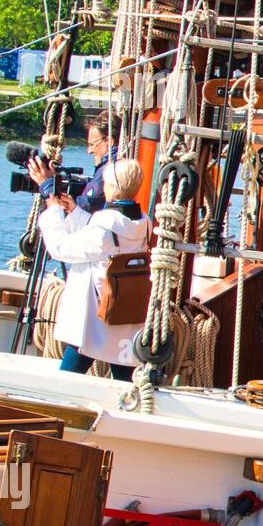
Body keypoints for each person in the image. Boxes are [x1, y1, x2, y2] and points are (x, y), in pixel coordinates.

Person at [37, 159, 151, 381]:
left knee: (70, 375)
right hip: (123, 310)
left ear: (112, 188)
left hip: (95, 315)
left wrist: (53, 212)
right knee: (123, 374)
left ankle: (58, 406)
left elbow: (61, 248)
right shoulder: (142, 221)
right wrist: (75, 212)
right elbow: (104, 240)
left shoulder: (105, 224)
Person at [27, 110, 115, 214]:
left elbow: (85, 210)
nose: (89, 151)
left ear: (109, 142)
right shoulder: (117, 164)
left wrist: (46, 184)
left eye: (92, 144)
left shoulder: (109, 170)